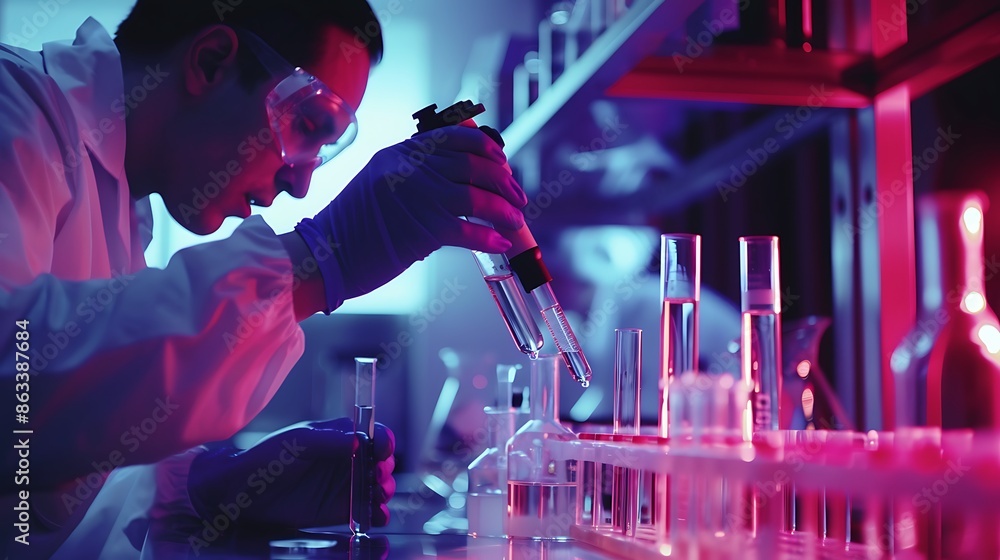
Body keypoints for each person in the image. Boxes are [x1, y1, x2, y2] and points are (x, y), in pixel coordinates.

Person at [0, 0, 526, 557]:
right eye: (308, 125)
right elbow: (17, 387)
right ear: (210, 61)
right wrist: (319, 260)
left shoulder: (125, 209)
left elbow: (56, 472)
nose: (300, 185)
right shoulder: (14, 108)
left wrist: (207, 488)